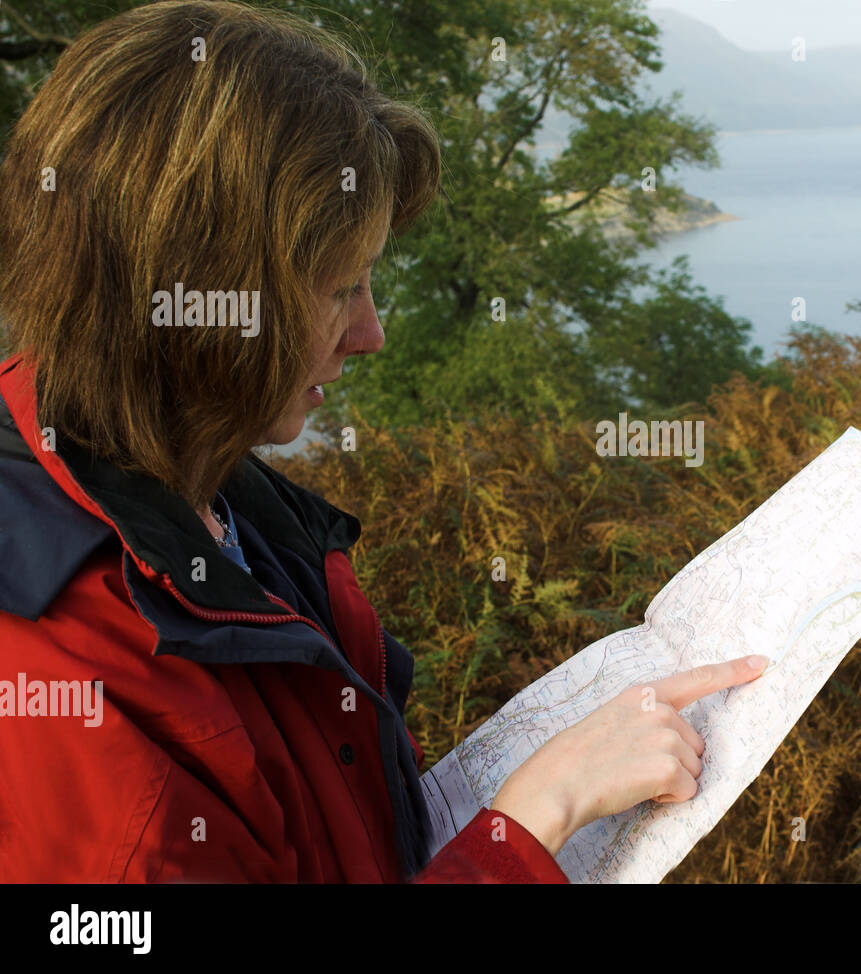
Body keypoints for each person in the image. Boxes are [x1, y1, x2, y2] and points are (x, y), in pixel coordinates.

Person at [0, 0, 766, 883]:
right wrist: (537, 814)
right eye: (338, 289)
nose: (371, 335)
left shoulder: (216, 493)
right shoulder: (69, 682)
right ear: (203, 308)